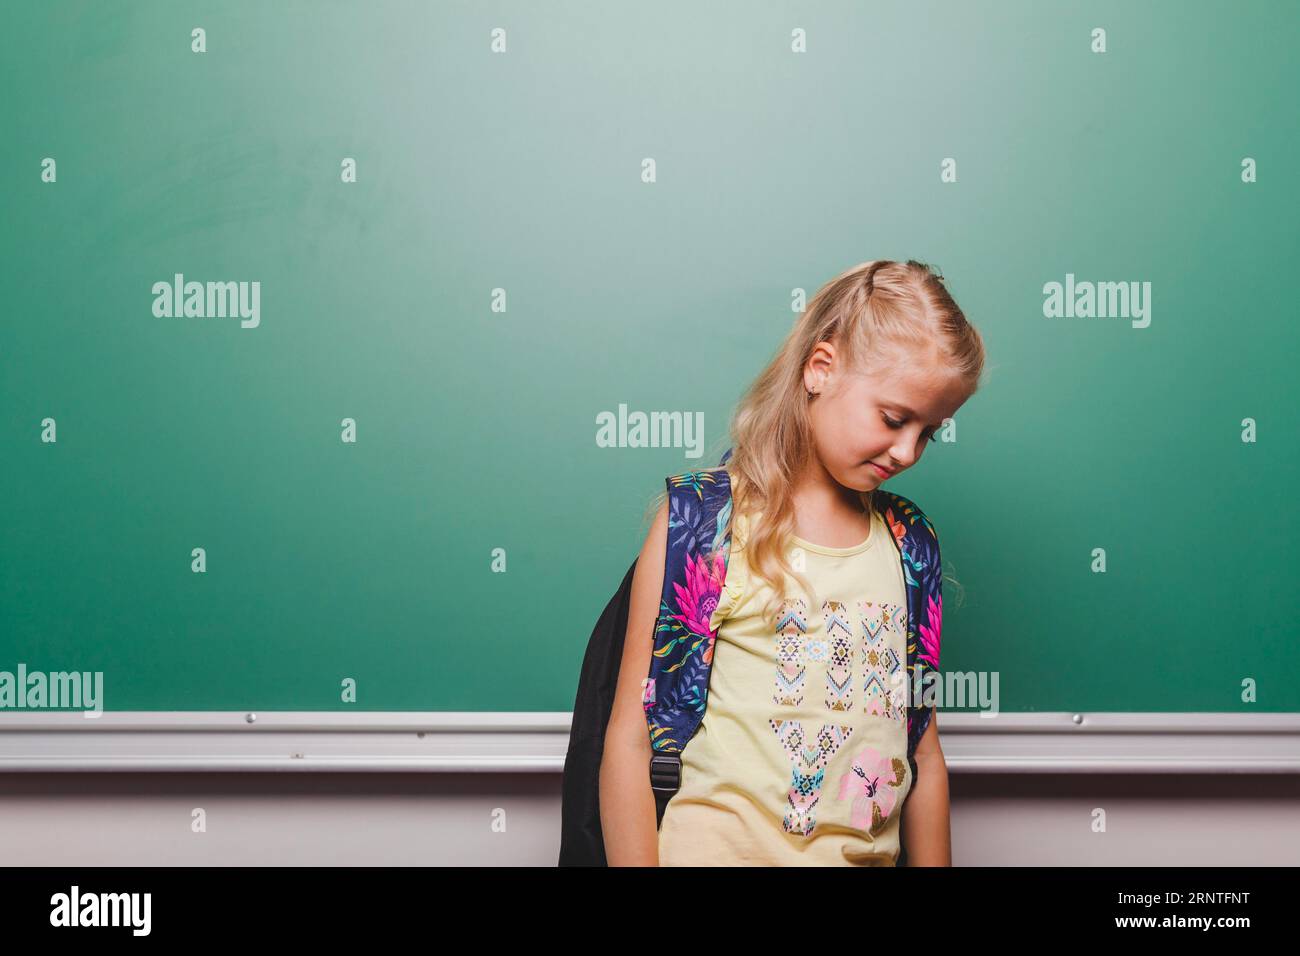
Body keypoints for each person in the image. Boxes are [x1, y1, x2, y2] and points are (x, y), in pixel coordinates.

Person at [599, 258, 986, 866]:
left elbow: (923, 754)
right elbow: (628, 742)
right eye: (893, 418)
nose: (908, 450)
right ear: (820, 369)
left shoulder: (910, 544)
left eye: (930, 431)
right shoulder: (704, 524)